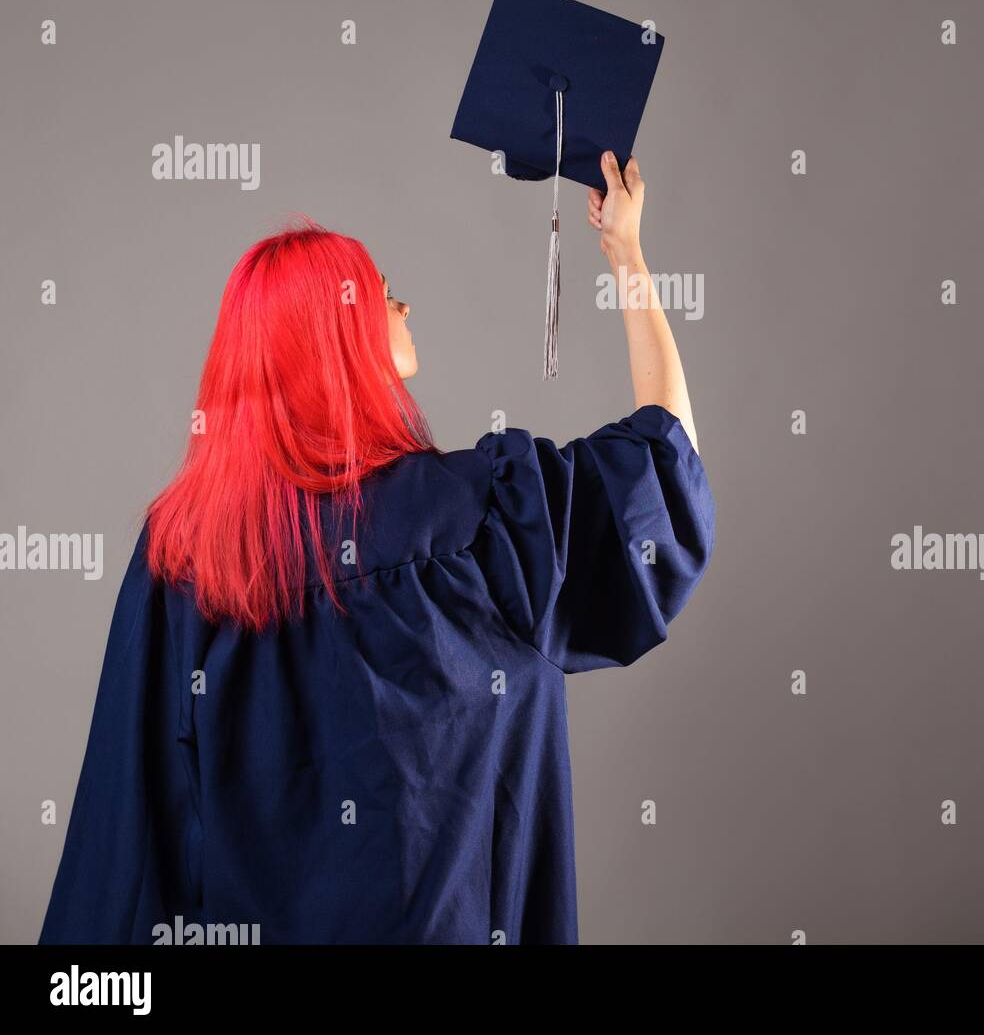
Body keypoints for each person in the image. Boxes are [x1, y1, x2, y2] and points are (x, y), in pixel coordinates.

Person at [38, 152, 714, 945]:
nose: (402, 301)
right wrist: (627, 258)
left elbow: (125, 844)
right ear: (336, 338)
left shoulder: (187, 554)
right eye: (380, 292)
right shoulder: (486, 515)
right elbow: (668, 472)